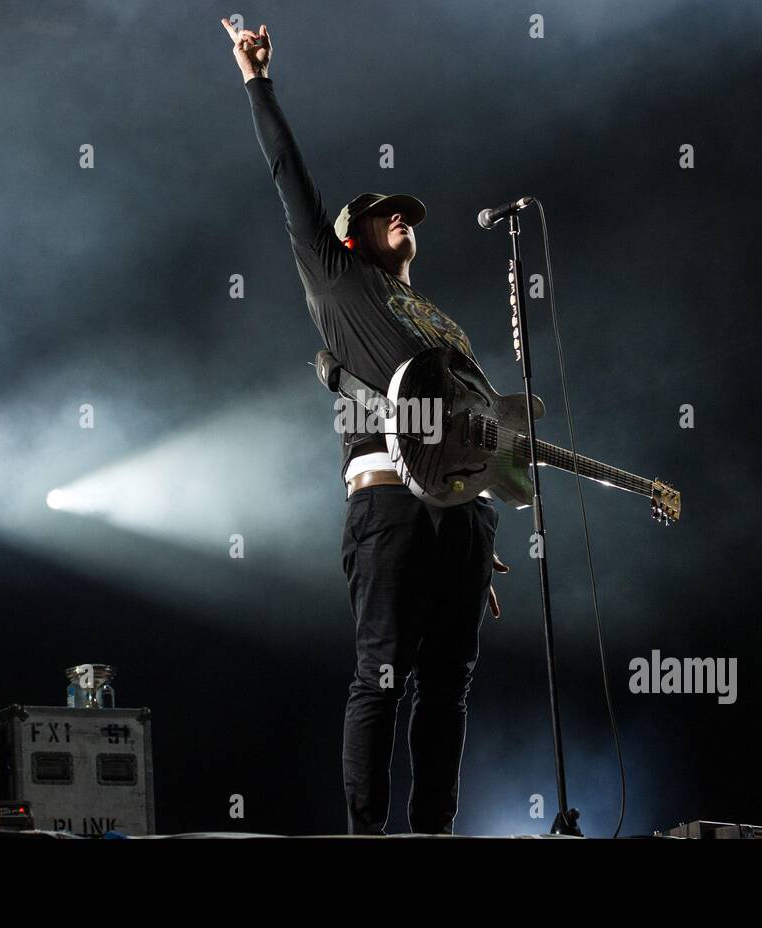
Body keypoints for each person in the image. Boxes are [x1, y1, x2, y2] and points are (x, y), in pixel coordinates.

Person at [222, 18, 508, 835]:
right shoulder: (338, 280)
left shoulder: (442, 323)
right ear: (352, 237)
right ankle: (366, 834)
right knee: (383, 675)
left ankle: (432, 831)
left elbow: (482, 426)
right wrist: (258, 82)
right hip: (385, 498)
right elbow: (288, 174)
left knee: (449, 682)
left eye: (408, 217)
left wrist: (479, 530)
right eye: (387, 216)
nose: (402, 223)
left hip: (460, 512)